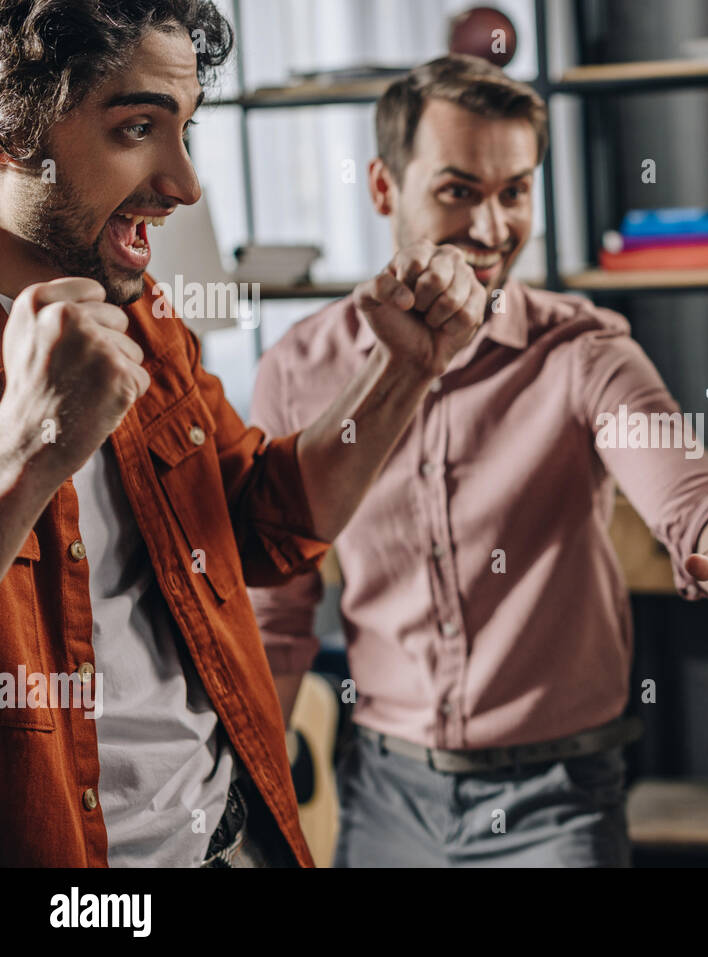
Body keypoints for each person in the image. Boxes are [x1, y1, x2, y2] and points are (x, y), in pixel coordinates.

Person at [247, 54, 708, 868]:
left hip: (557, 799)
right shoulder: (299, 368)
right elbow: (274, 616)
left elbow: (688, 487)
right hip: (382, 798)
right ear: (384, 188)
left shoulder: (583, 349)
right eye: (458, 191)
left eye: (514, 191)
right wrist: (251, 813)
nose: (491, 229)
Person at [0, 1, 494, 867]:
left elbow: (260, 524)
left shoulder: (145, 314)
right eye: (137, 128)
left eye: (185, 129)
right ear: (12, 128)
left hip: (235, 845)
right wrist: (29, 454)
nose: (185, 184)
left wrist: (404, 368)